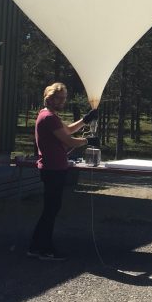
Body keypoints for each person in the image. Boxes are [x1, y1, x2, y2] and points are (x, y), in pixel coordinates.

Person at [28, 82, 98, 260]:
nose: (62, 101)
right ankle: (45, 249)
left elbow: (67, 130)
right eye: (59, 98)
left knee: (50, 209)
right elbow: (69, 141)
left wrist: (85, 120)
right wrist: (88, 141)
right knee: (51, 210)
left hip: (53, 168)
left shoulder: (49, 116)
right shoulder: (49, 118)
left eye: (64, 98)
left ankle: (36, 246)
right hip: (53, 169)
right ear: (49, 98)